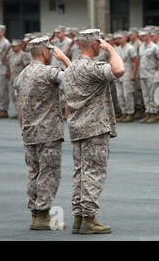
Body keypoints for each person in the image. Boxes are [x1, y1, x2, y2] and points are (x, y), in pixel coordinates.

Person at [60, 29, 125, 234]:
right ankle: (88, 218)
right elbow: (119, 70)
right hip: (94, 128)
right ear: (95, 44)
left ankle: (79, 216)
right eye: (100, 42)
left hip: (77, 127)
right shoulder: (91, 67)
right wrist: (111, 49)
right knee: (94, 172)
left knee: (80, 173)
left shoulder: (71, 69)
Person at [14, 36, 70, 230]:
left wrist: (24, 128)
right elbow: (75, 79)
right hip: (48, 133)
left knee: (34, 173)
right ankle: (43, 215)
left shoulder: (22, 74)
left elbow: (19, 106)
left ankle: (35, 214)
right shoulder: (49, 73)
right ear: (46, 52)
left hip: (29, 133)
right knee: (49, 173)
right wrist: (64, 60)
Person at [138, 28, 159, 124]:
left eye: (144, 35)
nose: (143, 37)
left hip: (152, 74)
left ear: (149, 35)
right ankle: (148, 111)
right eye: (142, 36)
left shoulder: (155, 47)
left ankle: (154, 113)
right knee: (145, 95)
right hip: (143, 74)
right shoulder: (141, 47)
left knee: (152, 94)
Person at [115, 31, 138, 123]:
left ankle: (130, 113)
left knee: (127, 94)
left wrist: (133, 74)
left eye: (121, 38)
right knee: (120, 95)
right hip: (119, 75)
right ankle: (124, 112)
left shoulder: (130, 48)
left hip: (127, 73)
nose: (119, 40)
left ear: (125, 38)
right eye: (118, 38)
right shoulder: (117, 49)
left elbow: (136, 61)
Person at [5, 39, 30, 118]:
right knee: (13, 96)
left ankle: (23, 112)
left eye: (15, 46)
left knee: (22, 96)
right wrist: (8, 71)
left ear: (19, 46)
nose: (13, 48)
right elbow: (8, 63)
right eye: (12, 46)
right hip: (13, 78)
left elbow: (27, 66)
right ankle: (18, 112)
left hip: (20, 79)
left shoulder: (23, 55)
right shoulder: (11, 55)